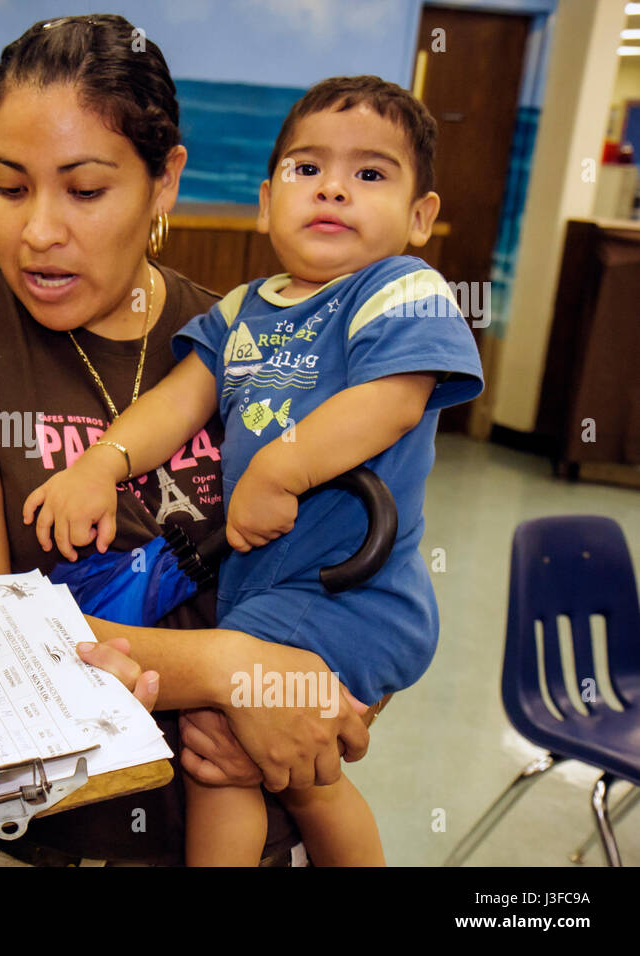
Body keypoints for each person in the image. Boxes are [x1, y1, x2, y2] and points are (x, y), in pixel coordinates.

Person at [0, 16, 371, 867]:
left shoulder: (246, 346)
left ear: (164, 180)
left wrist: (312, 713)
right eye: (9, 187)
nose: (39, 232)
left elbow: (354, 582)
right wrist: (237, 673)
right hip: (52, 845)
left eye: (86, 191)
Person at [24, 75, 485, 865]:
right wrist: (101, 463)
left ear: (420, 218)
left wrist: (281, 468)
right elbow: (178, 401)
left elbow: (395, 402)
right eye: (309, 170)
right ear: (267, 201)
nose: (334, 187)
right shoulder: (243, 313)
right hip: (270, 594)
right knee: (273, 764)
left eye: (370, 174)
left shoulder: (401, 290)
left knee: (224, 755)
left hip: (350, 596)